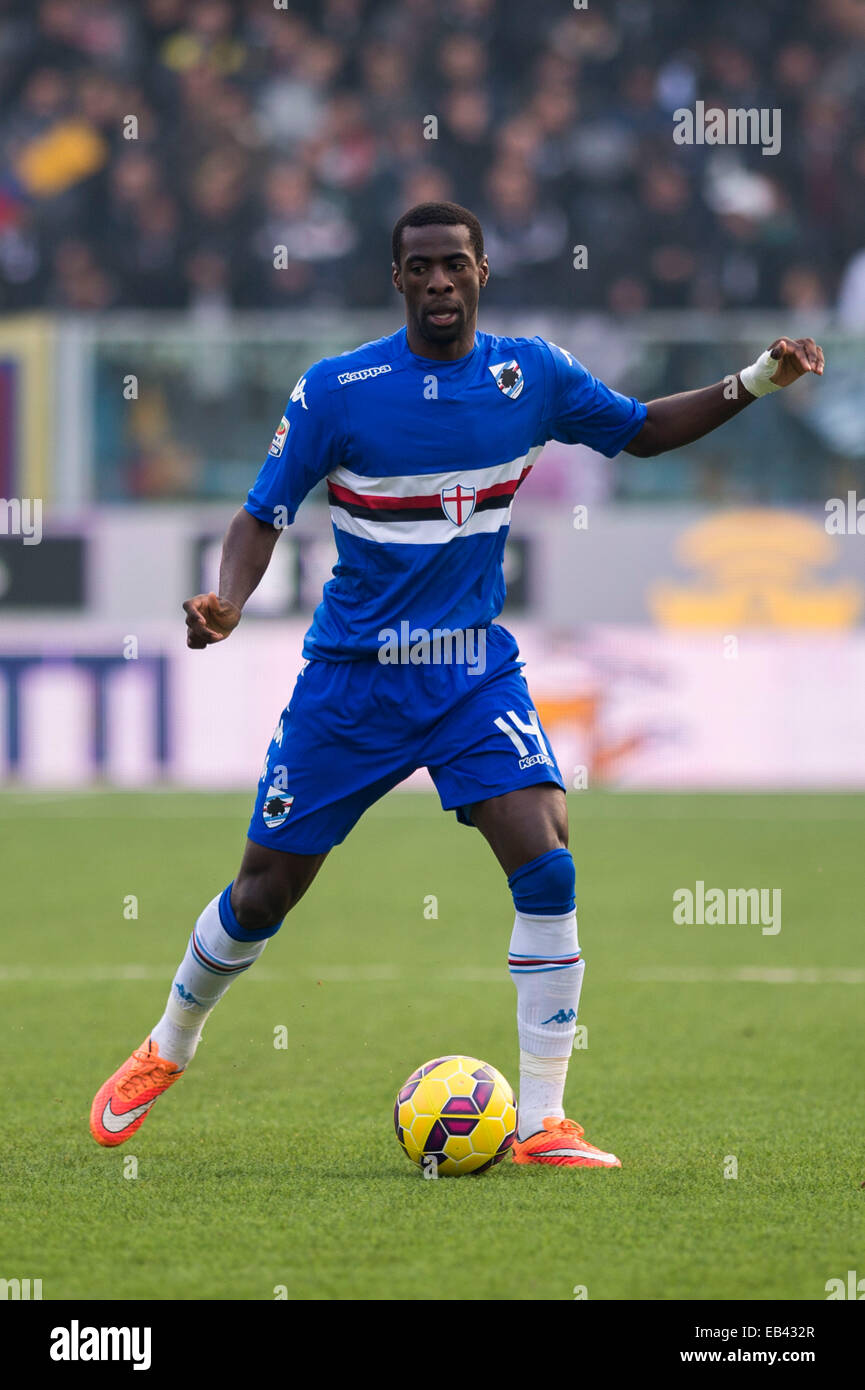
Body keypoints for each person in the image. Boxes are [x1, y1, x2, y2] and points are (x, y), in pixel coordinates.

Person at [90, 201, 824, 1167]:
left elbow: (641, 432)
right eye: (421, 268)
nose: (440, 282)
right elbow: (260, 512)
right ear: (397, 281)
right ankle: (167, 1045)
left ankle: (542, 1121)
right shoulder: (336, 391)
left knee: (546, 857)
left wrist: (755, 381)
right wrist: (227, 601)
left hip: (469, 670)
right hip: (352, 680)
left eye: (456, 265)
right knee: (263, 893)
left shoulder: (531, 377)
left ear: (482, 274)